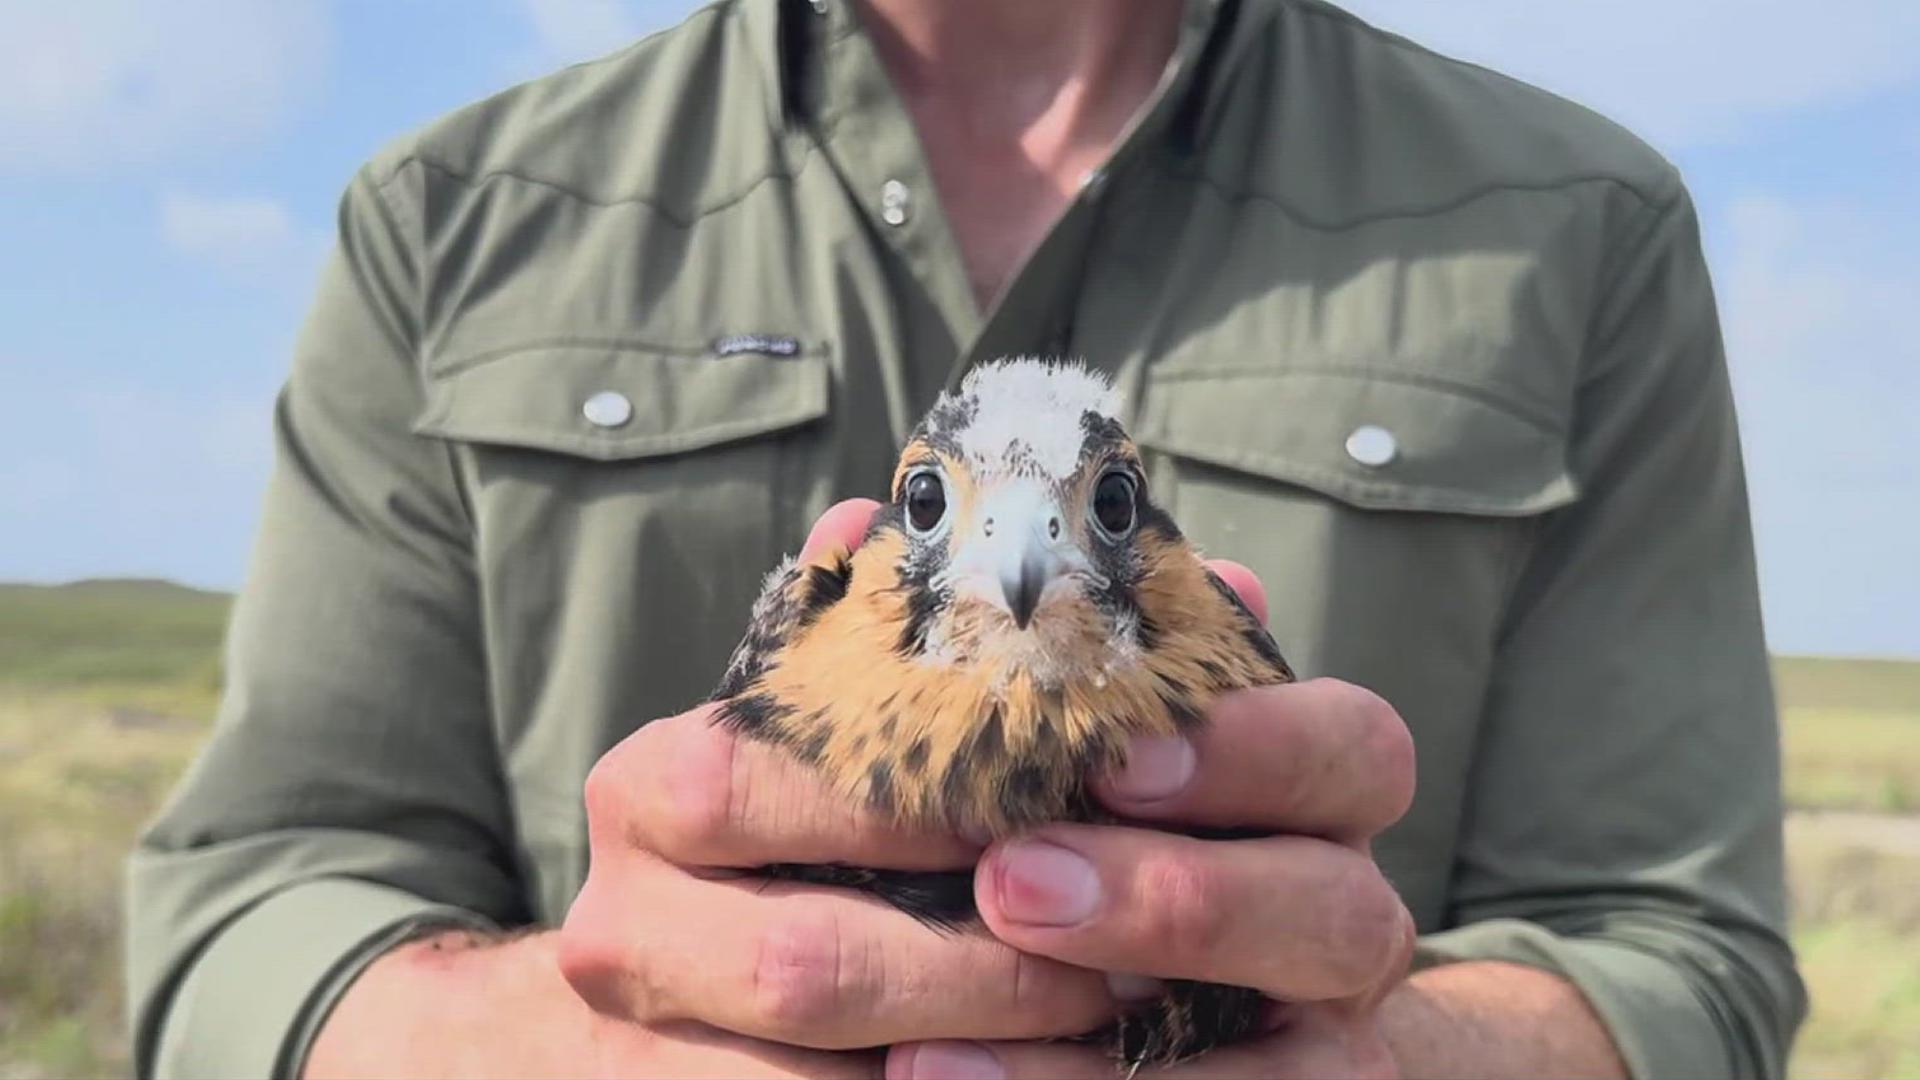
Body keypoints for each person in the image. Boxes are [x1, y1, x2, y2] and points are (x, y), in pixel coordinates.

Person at [126, 0, 1806, 1076]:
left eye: (1102, 513)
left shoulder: (1574, 229)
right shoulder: (453, 223)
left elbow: (1684, 960)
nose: (1022, 556)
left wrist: (1381, 1048)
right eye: (940, 509)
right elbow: (247, 920)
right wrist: (581, 1041)